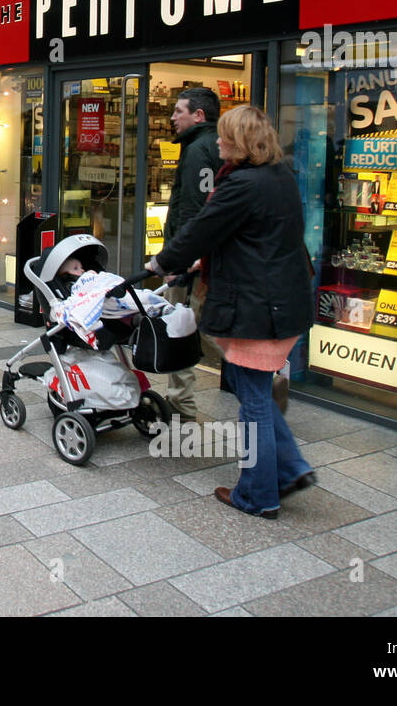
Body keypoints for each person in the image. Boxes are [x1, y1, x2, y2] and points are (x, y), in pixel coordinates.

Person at [150, 105, 314, 520]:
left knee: (253, 397)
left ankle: (258, 495)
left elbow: (202, 229)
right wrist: (201, 263)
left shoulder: (242, 184)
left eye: (223, 135)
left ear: (239, 142)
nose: (217, 141)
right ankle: (291, 470)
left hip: (259, 308)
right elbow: (259, 240)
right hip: (282, 301)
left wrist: (162, 261)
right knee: (252, 388)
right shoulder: (280, 177)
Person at [158, 87, 222, 424]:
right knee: (189, 325)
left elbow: (195, 211)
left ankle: (255, 373)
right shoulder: (215, 145)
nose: (172, 117)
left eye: (179, 111)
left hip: (191, 260)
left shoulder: (198, 149)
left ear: (198, 115)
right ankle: (180, 402)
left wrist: (178, 259)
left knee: (186, 326)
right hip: (202, 256)